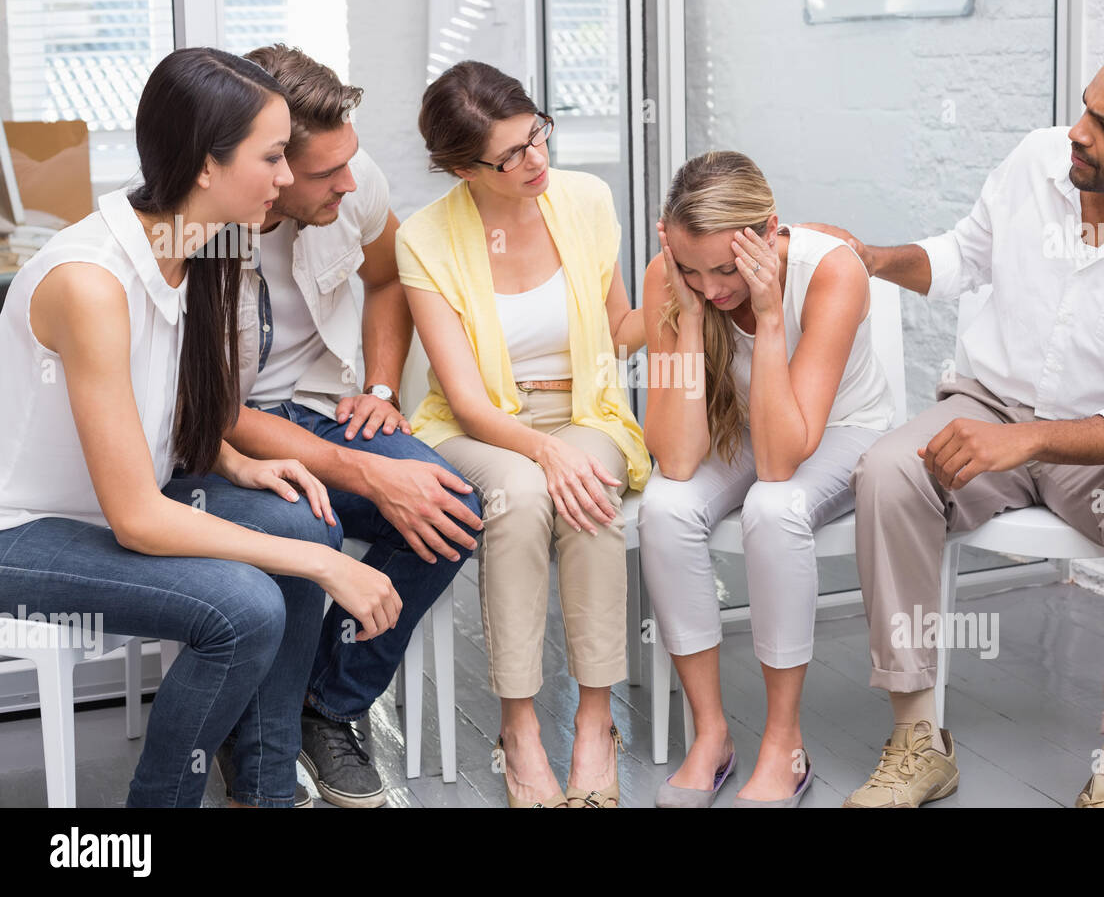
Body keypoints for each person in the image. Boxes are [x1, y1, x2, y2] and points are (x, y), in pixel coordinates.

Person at [830, 42, 1104, 808]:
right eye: (1085, 107)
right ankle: (919, 741)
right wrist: (871, 257)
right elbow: (965, 256)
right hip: (989, 403)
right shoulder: (1037, 160)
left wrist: (1029, 440)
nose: (1079, 133)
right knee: (890, 469)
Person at [0, 47, 400, 808]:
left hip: (116, 502)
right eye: (274, 156)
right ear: (205, 165)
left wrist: (232, 461)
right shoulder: (89, 282)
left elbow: (168, 393)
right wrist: (329, 570)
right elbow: (138, 519)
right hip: (23, 531)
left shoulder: (209, 241)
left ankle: (264, 790)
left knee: (305, 521)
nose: (288, 178)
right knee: (245, 606)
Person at [221, 45, 483, 808]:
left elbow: (385, 275)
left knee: (452, 506)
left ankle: (325, 706)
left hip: (322, 400)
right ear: (265, 165)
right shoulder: (201, 235)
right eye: (323, 173)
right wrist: (367, 473)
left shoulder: (355, 179)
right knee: (310, 524)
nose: (350, 182)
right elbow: (209, 414)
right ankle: (253, 737)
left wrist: (378, 382)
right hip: (228, 434)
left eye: (350, 162)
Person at [395, 60, 649, 808]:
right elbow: (468, 403)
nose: (536, 160)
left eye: (537, 135)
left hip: (587, 409)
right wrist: (543, 451)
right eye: (509, 156)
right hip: (479, 427)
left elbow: (619, 334)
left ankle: (597, 722)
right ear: (459, 167)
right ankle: (521, 729)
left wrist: (676, 292)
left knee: (589, 489)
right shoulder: (425, 238)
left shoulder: (588, 200)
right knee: (519, 494)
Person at [638, 151, 896, 808]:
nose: (714, 288)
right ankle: (712, 734)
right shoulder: (671, 282)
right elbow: (674, 455)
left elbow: (782, 458)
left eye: (726, 270)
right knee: (664, 505)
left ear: (768, 231)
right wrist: (688, 316)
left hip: (838, 430)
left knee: (773, 509)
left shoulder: (831, 273)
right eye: (694, 270)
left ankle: (785, 743)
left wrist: (771, 313)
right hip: (745, 430)